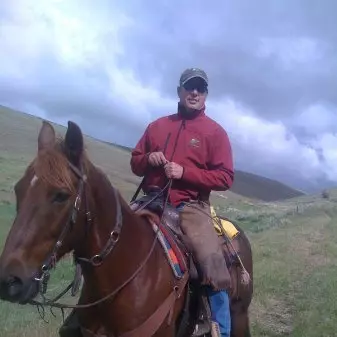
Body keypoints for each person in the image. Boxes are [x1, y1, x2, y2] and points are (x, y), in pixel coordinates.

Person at [130, 68, 234, 337]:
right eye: (190, 87)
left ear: (206, 95)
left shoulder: (215, 133)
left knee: (211, 260)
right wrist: (147, 159)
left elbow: (225, 177)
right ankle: (84, 318)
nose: (195, 92)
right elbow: (135, 163)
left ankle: (218, 330)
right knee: (109, 233)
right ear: (179, 91)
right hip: (152, 200)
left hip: (190, 206)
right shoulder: (157, 126)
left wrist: (184, 173)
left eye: (200, 88)